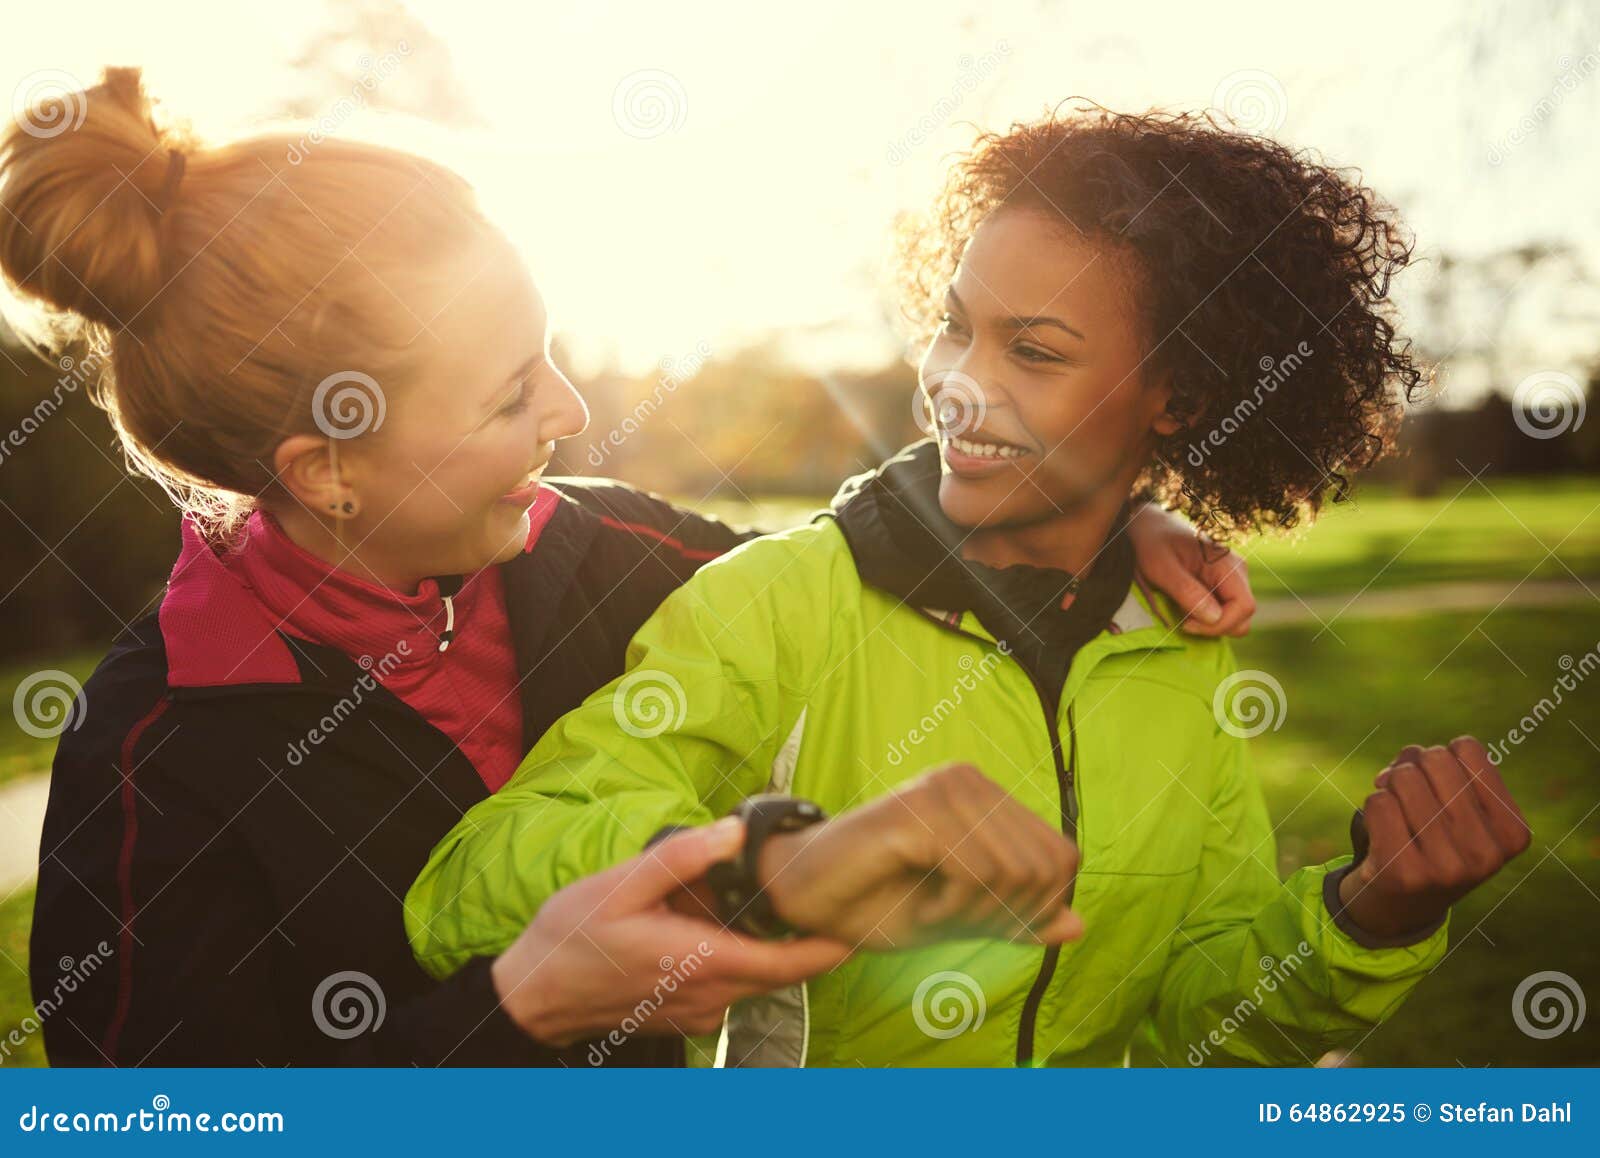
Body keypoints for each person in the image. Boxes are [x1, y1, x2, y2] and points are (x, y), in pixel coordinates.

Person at [0, 71, 1250, 1065]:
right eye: (505, 395)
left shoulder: (613, 549)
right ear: (328, 468)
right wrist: (516, 1014)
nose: (565, 406)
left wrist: (1094, 522)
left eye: (544, 352)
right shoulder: (157, 753)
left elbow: (849, 574)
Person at [405, 106, 1532, 1067]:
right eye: (954, 328)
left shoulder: (1176, 641)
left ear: (1180, 398)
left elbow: (1205, 1026)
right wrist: (768, 865)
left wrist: (1370, 915)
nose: (957, 386)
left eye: (1031, 354)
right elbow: (470, 887)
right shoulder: (780, 599)